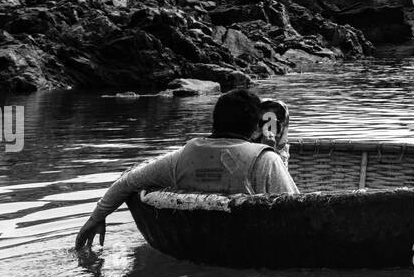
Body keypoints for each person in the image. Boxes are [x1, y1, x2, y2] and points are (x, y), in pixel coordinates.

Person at [74, 88, 296, 249]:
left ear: (215, 121)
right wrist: (280, 151)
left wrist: (96, 218)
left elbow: (127, 182)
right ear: (256, 128)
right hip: (251, 249)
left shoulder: (183, 157)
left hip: (197, 246)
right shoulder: (266, 160)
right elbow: (296, 209)